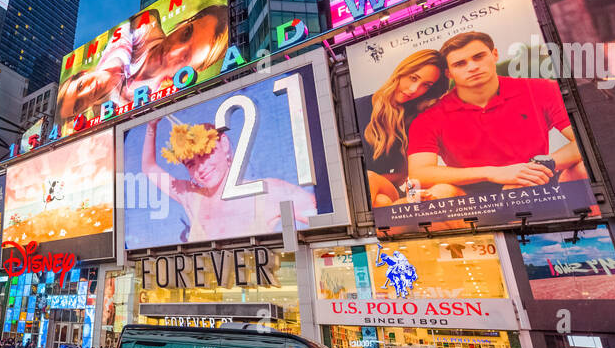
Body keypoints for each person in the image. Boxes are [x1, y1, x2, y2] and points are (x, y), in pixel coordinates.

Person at [406, 32, 587, 200]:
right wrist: (492, 173)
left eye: (478, 57)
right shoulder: (429, 118)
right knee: (440, 192)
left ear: (494, 54)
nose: (473, 67)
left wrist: (532, 169)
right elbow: (420, 173)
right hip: (476, 195)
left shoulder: (541, 89)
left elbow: (583, 140)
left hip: (538, 179)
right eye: (460, 64)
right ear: (449, 73)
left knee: (584, 168)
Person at [142, 114, 319, 244]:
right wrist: (151, 126)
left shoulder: (267, 191)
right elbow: (149, 168)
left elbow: (323, 218)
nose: (200, 168)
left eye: (205, 154)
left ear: (224, 144)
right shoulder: (191, 197)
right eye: (191, 164)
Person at [362, 50, 453, 206]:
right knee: (381, 201)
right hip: (364, 192)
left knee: (370, 179)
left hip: (384, 187)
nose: (413, 89)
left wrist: (414, 198)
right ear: (401, 72)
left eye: (426, 85)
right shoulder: (360, 106)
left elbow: (408, 174)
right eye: (413, 78)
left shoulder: (412, 120)